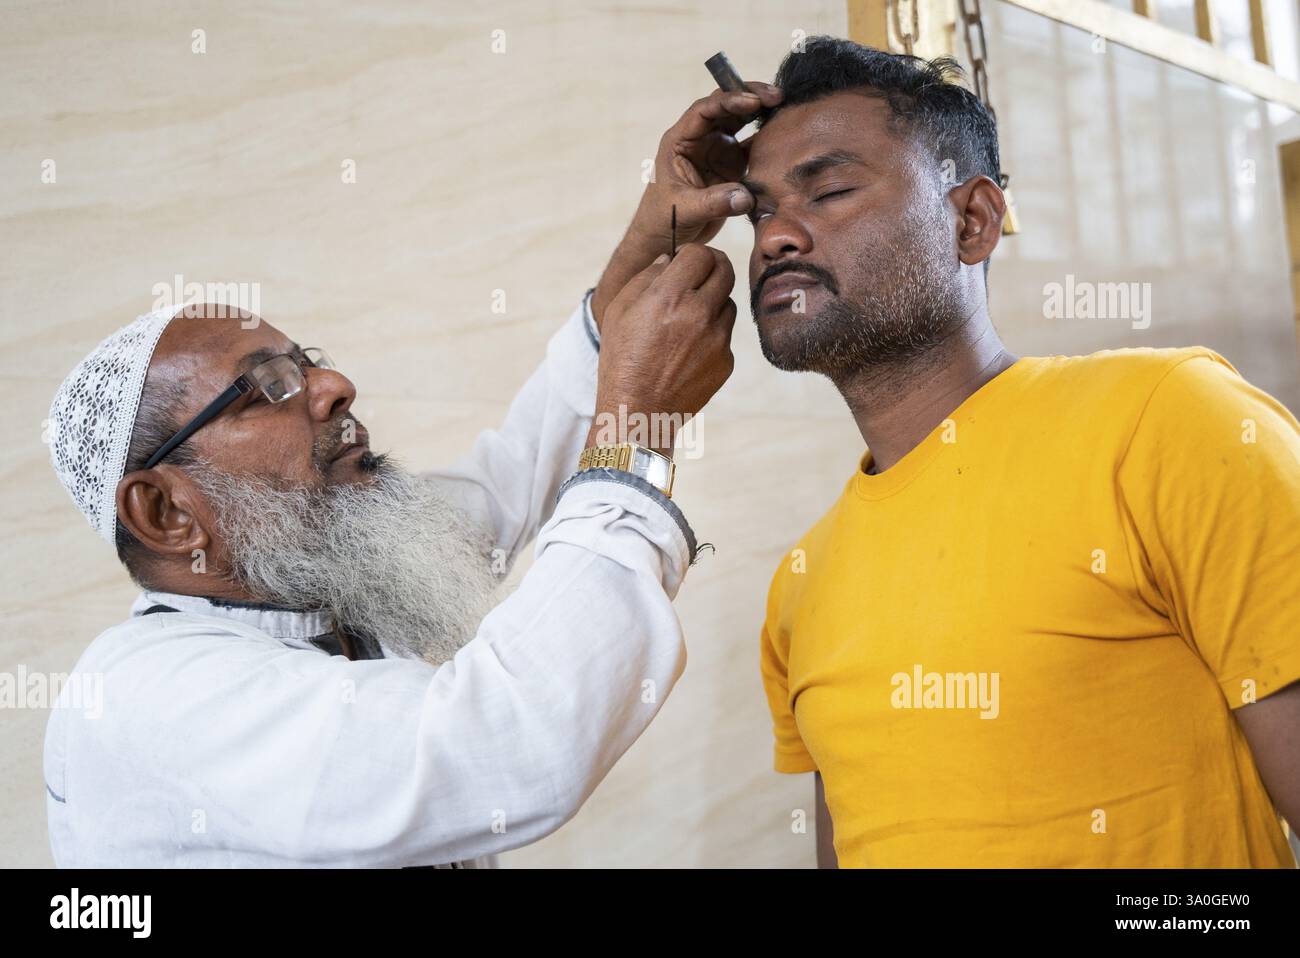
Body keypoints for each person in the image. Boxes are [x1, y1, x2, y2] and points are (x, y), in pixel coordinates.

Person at [599, 36, 1300, 867]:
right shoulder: (800, 585)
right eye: (760, 212)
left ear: (971, 221)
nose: (777, 238)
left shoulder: (1169, 423)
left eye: (826, 190)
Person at [44, 239, 737, 866]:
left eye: (305, 363)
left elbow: (510, 479)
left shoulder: (331, 577)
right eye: (266, 389)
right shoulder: (146, 697)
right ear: (165, 513)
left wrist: (643, 259)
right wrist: (637, 424)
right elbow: (503, 741)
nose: (334, 385)